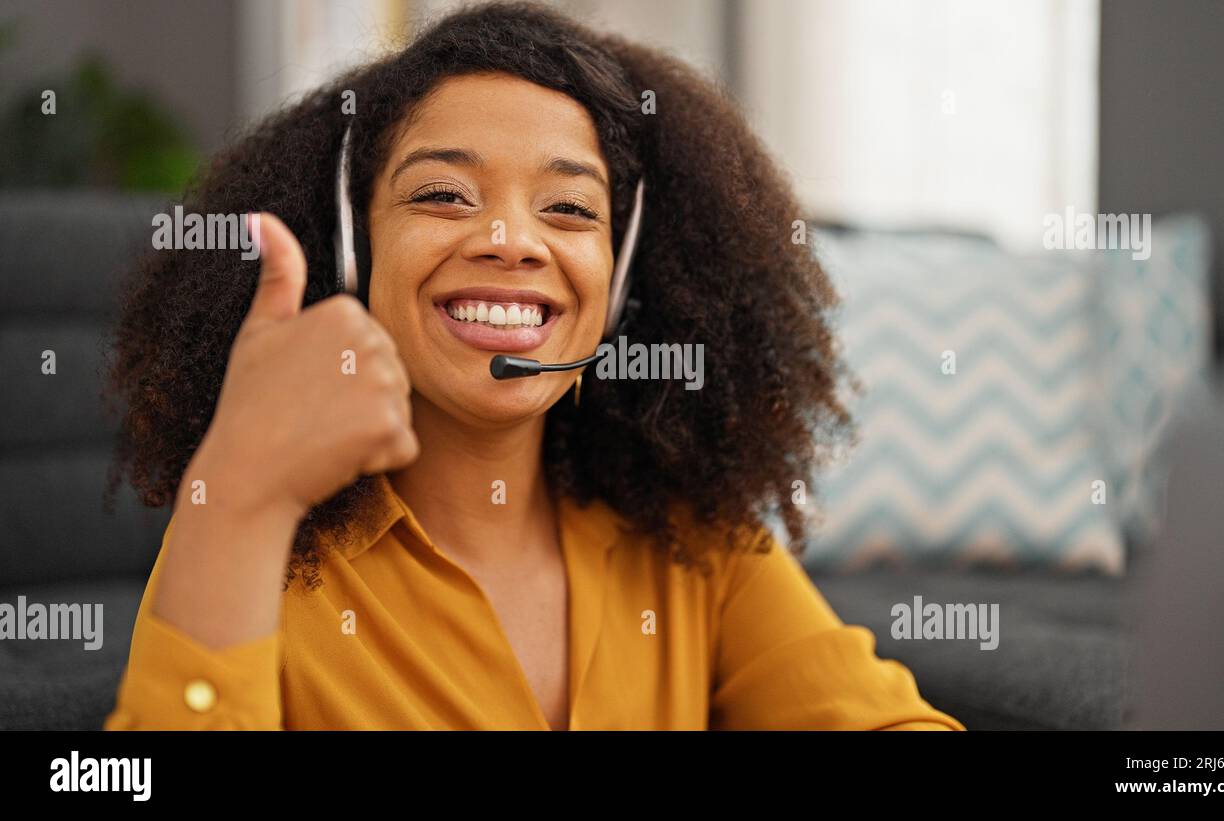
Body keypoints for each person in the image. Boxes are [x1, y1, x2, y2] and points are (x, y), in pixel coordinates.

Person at [102, 1, 964, 731]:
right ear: (354, 248)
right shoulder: (248, 541)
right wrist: (245, 486)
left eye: (568, 208)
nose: (512, 241)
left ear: (622, 281)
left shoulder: (692, 539)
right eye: (443, 194)